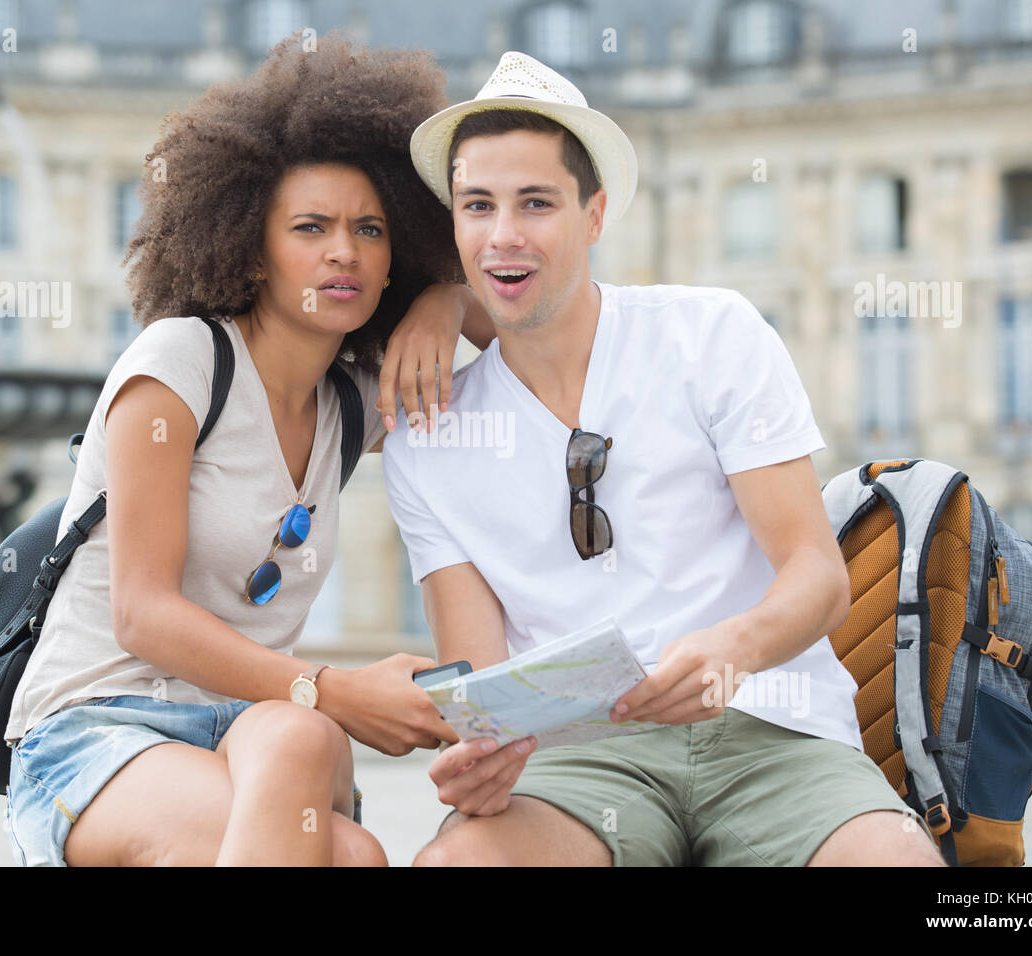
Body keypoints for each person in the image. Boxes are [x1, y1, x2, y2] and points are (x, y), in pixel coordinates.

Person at [381, 52, 947, 866]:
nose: (504, 234)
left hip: (772, 731)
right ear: (456, 228)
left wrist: (737, 648)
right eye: (479, 206)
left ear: (595, 214)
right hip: (577, 766)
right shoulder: (426, 440)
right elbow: (485, 689)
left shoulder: (711, 335)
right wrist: (484, 762)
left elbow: (817, 579)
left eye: (535, 203)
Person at [1, 32, 492, 867]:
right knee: (330, 795)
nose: (344, 251)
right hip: (103, 728)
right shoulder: (180, 361)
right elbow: (142, 614)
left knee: (324, 783)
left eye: (372, 230)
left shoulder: (350, 403)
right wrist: (336, 691)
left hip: (253, 723)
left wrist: (444, 293)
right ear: (251, 249)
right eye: (311, 227)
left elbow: (527, 335)